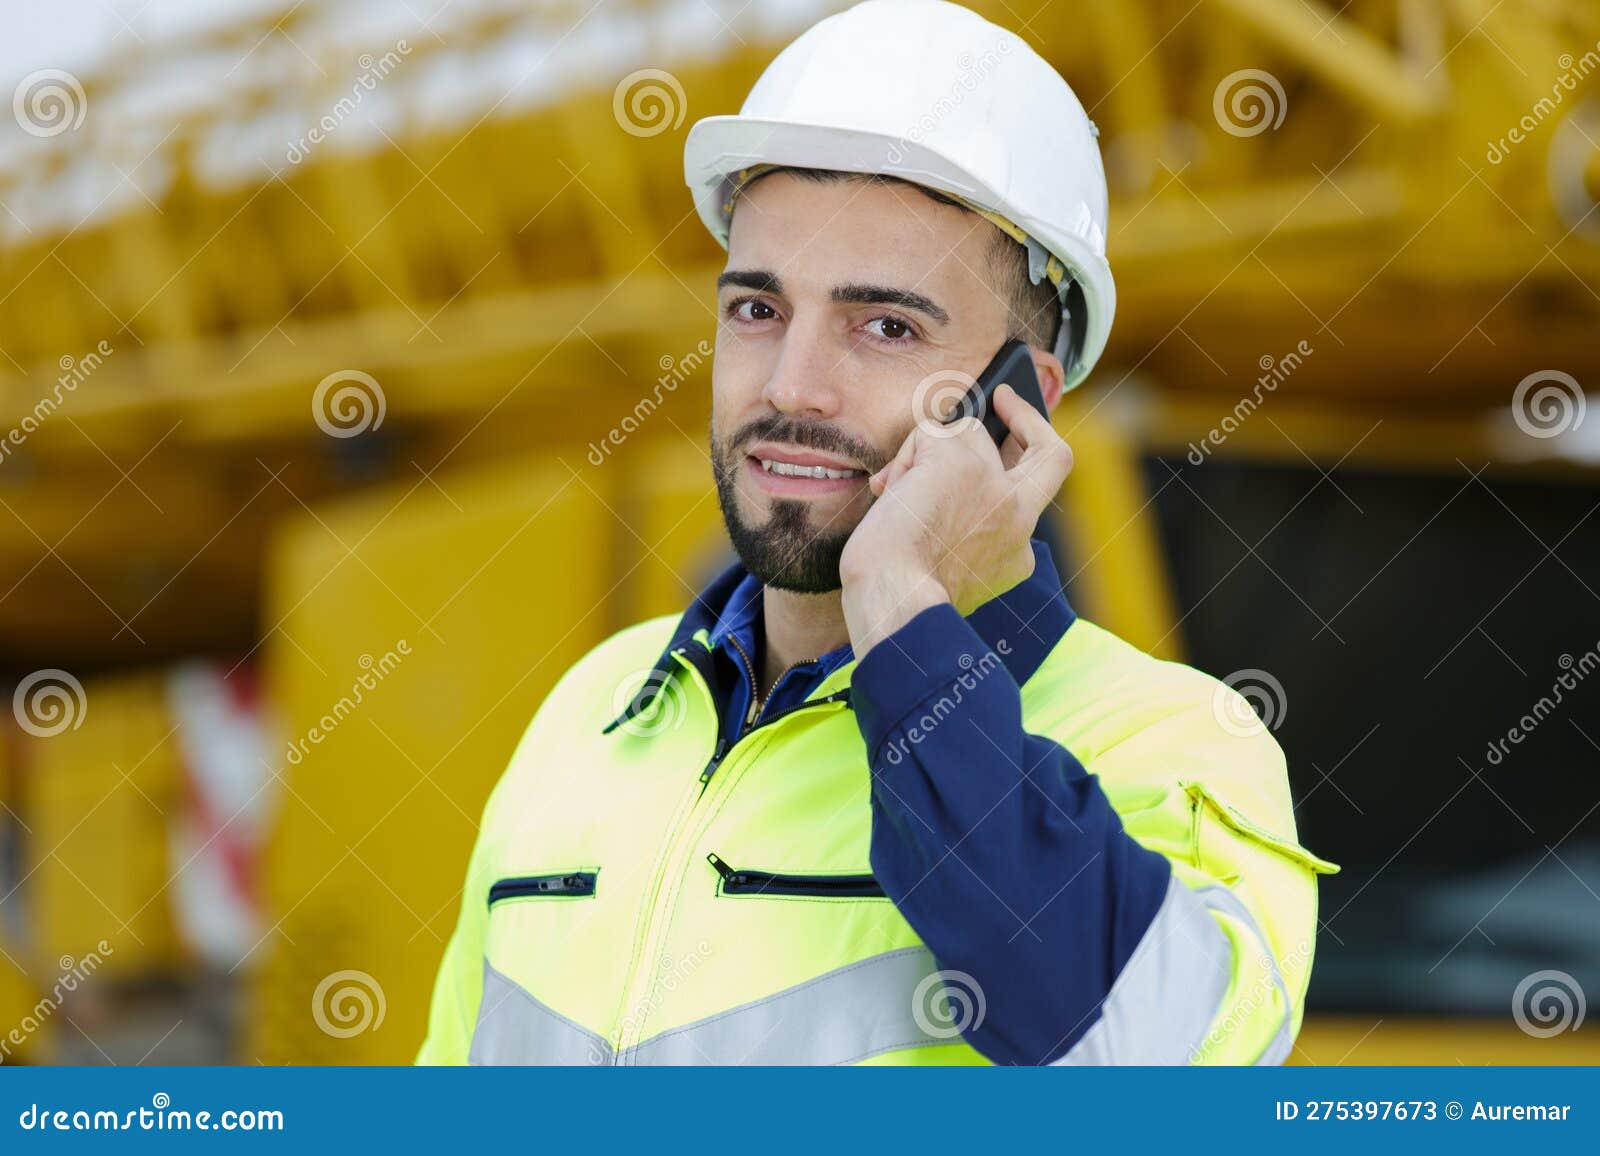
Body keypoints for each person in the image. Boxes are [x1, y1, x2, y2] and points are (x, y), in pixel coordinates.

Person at [418, 0, 1337, 1066]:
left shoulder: (1176, 744)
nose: (790, 385)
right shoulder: (594, 711)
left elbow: (1138, 1067)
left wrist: (903, 602)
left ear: (1017, 407)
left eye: (885, 326)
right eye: (757, 310)